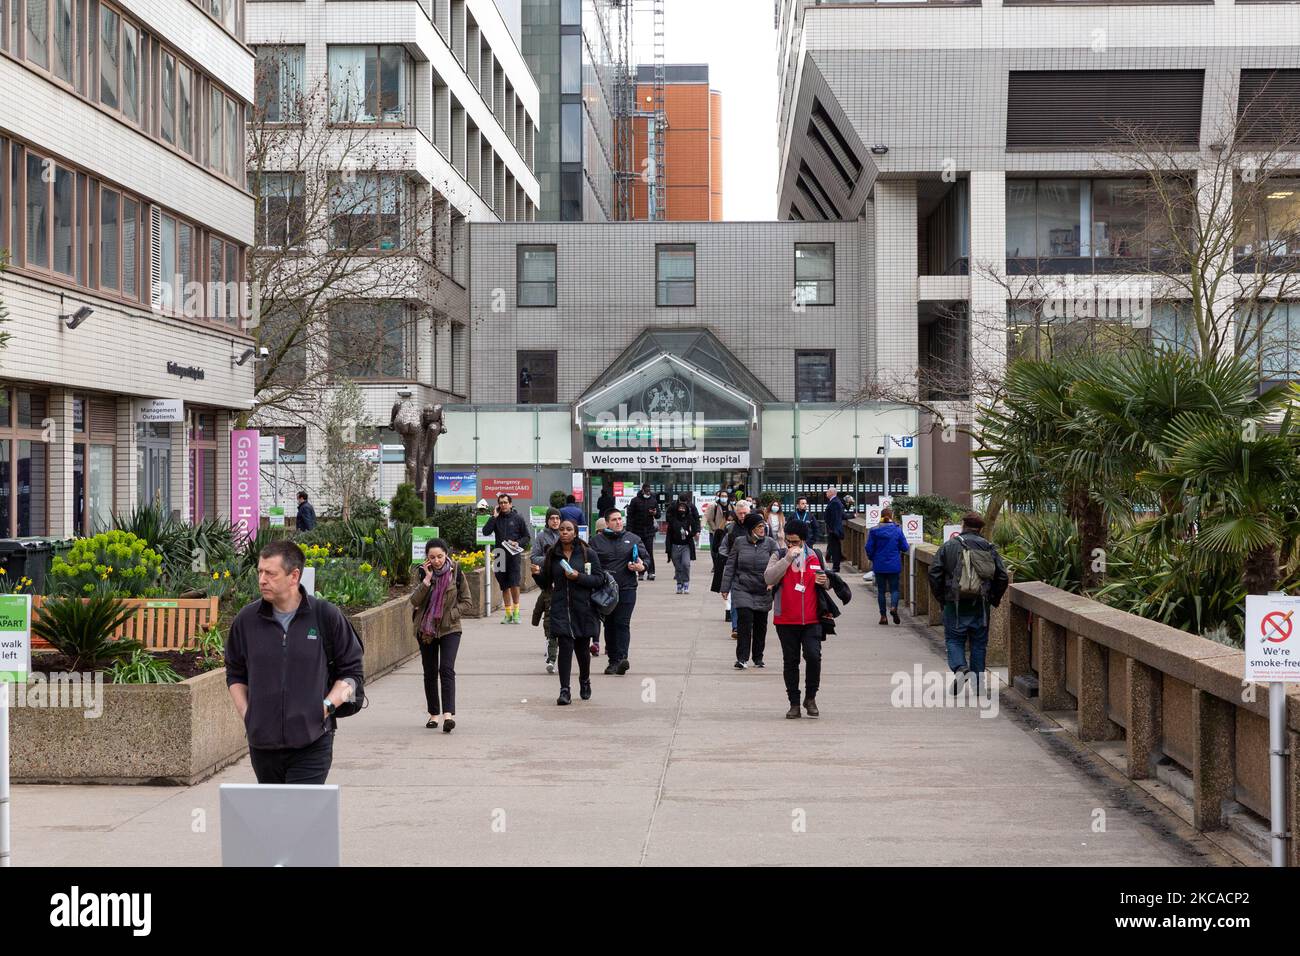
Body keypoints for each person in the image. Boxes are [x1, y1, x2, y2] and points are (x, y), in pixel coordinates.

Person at [225, 540, 364, 784]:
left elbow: (351, 672)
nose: (262, 580)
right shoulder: (246, 620)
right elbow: (235, 672)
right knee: (274, 819)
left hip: (312, 741)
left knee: (302, 817)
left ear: (294, 576)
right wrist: (248, 713)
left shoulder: (325, 615)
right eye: (259, 571)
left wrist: (324, 709)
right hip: (263, 745)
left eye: (271, 573)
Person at [927, 512, 1010, 695]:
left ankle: (960, 668)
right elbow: (1002, 576)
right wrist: (993, 598)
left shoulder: (949, 546)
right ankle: (978, 685)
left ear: (963, 525)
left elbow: (934, 573)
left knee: (954, 639)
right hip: (981, 604)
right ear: (981, 528)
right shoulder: (989, 548)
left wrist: (942, 597)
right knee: (979, 644)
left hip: (954, 603)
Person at [764, 520, 829, 720]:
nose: (791, 545)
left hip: (811, 618)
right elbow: (768, 578)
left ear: (803, 540)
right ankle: (794, 702)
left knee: (813, 656)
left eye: (795, 542)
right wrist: (787, 560)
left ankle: (811, 697)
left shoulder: (815, 556)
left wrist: (825, 582)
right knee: (790, 661)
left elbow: (826, 582)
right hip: (786, 619)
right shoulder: (779, 555)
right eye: (788, 541)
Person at [535, 519, 604, 705]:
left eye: (568, 529)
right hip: (560, 609)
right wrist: (536, 574)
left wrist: (578, 576)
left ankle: (585, 681)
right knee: (565, 648)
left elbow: (599, 580)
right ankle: (564, 690)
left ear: (575, 533)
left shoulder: (587, 553)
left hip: (583, 608)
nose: (564, 532)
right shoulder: (553, 554)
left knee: (582, 649)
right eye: (562, 529)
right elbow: (546, 584)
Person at [410, 537, 474, 732]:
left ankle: (448, 716)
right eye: (432, 557)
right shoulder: (422, 573)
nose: (437, 561)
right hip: (426, 630)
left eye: (440, 556)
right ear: (427, 558)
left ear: (446, 555)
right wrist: (427, 581)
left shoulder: (457, 573)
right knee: (430, 672)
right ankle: (433, 715)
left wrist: (451, 615)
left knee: (446, 669)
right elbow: (414, 601)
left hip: (450, 629)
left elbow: (467, 602)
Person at [590, 508, 646, 674]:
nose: (618, 522)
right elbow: (590, 563)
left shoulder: (633, 539)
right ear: (607, 523)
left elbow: (645, 559)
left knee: (622, 623)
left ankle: (622, 659)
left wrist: (641, 566)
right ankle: (612, 661)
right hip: (605, 591)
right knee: (610, 625)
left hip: (627, 588)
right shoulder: (596, 541)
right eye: (614, 520)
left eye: (620, 519)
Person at [722, 512, 778, 670]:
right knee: (744, 621)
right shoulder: (739, 542)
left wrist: (773, 582)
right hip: (742, 587)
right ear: (751, 528)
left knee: (761, 625)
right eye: (759, 526)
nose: (763, 529)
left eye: (763, 526)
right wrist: (725, 588)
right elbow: (730, 566)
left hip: (763, 588)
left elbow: (779, 565)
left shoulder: (771, 543)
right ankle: (742, 658)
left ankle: (758, 657)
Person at [482, 493, 531, 624]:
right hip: (499, 554)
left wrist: (518, 543)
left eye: (505, 502)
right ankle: (508, 614)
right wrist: (493, 517)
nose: (503, 505)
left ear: (510, 504)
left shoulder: (518, 518)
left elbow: (527, 537)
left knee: (514, 583)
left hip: (513, 555)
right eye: (501, 503)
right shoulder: (496, 518)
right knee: (504, 585)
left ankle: (516, 612)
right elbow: (485, 532)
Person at [530, 508, 563, 672]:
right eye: (552, 518)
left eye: (557, 518)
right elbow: (534, 556)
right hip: (548, 581)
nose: (555, 521)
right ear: (547, 520)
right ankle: (550, 644)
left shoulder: (565, 534)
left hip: (564, 581)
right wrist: (550, 559)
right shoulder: (542, 537)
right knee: (548, 615)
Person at [865, 507, 910, 625]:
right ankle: (894, 607)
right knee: (894, 589)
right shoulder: (897, 530)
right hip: (894, 565)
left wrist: (872, 557)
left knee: (881, 591)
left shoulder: (874, 530)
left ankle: (883, 616)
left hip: (879, 565)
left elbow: (868, 547)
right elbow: (905, 547)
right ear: (892, 516)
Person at [717, 498, 752, 637]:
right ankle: (736, 627)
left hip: (753, 569)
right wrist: (730, 558)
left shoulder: (756, 526)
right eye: (740, 513)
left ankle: (748, 626)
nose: (742, 516)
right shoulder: (730, 528)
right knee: (735, 599)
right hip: (736, 569)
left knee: (750, 601)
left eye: (744, 513)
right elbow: (722, 547)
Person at [665, 493, 700, 594]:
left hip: (686, 545)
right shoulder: (672, 510)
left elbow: (696, 521)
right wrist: (668, 549)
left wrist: (693, 532)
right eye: (680, 505)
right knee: (678, 567)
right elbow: (668, 533)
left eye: (684, 505)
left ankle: (686, 583)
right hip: (675, 545)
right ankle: (679, 584)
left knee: (686, 564)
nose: (682, 508)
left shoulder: (690, 513)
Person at [626, 483, 660, 581]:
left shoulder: (653, 500)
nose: (647, 492)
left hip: (649, 531)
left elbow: (658, 515)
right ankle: (640, 572)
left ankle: (651, 572)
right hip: (637, 531)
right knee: (639, 552)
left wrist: (655, 513)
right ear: (642, 490)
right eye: (646, 490)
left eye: (649, 490)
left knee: (649, 552)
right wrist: (629, 530)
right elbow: (630, 516)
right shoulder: (635, 501)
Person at [705, 489, 731, 581]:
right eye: (722, 496)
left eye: (725, 496)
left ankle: (722, 566)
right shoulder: (714, 506)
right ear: (719, 497)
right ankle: (716, 565)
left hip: (727, 533)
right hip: (715, 533)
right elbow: (709, 519)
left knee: (725, 550)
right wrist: (715, 528)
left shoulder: (731, 506)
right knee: (714, 551)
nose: (724, 498)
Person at [824, 487, 846, 572]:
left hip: (834, 530)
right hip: (833, 529)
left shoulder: (835, 503)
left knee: (835, 549)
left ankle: (836, 567)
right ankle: (832, 561)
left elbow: (836, 517)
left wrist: (833, 530)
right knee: (833, 547)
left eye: (827, 492)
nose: (826, 493)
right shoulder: (834, 501)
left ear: (832, 493)